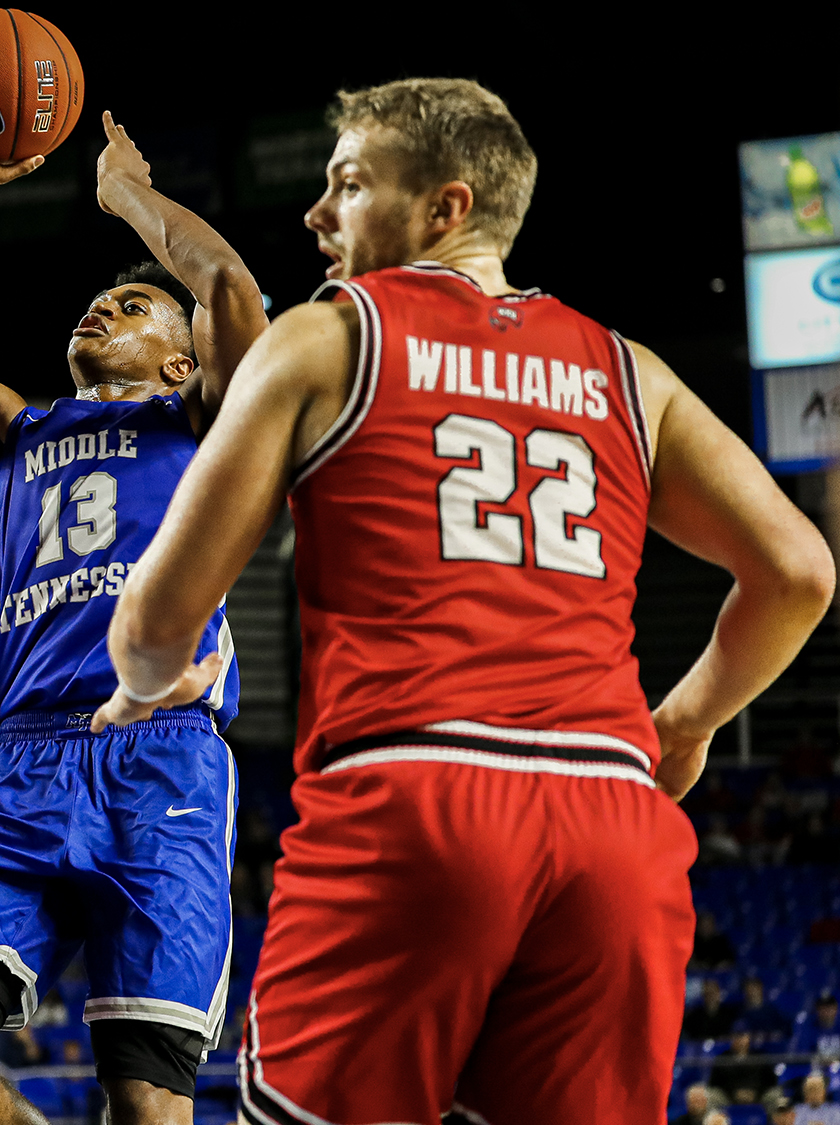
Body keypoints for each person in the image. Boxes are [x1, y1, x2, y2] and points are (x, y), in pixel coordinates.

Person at [93, 77, 836, 1122]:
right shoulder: (632, 373)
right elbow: (798, 572)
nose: (317, 213)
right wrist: (682, 725)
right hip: (612, 826)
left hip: (414, 799)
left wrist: (141, 686)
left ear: (445, 207)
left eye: (349, 185)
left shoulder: (327, 337)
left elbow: (149, 626)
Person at [0, 105, 269, 1124]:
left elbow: (227, 289)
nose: (101, 308)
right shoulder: (4, 433)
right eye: (98, 300)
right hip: (23, 762)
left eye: (130, 305)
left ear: (179, 361)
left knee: (146, 1105)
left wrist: (128, 196)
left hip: (162, 760)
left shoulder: (201, 422)